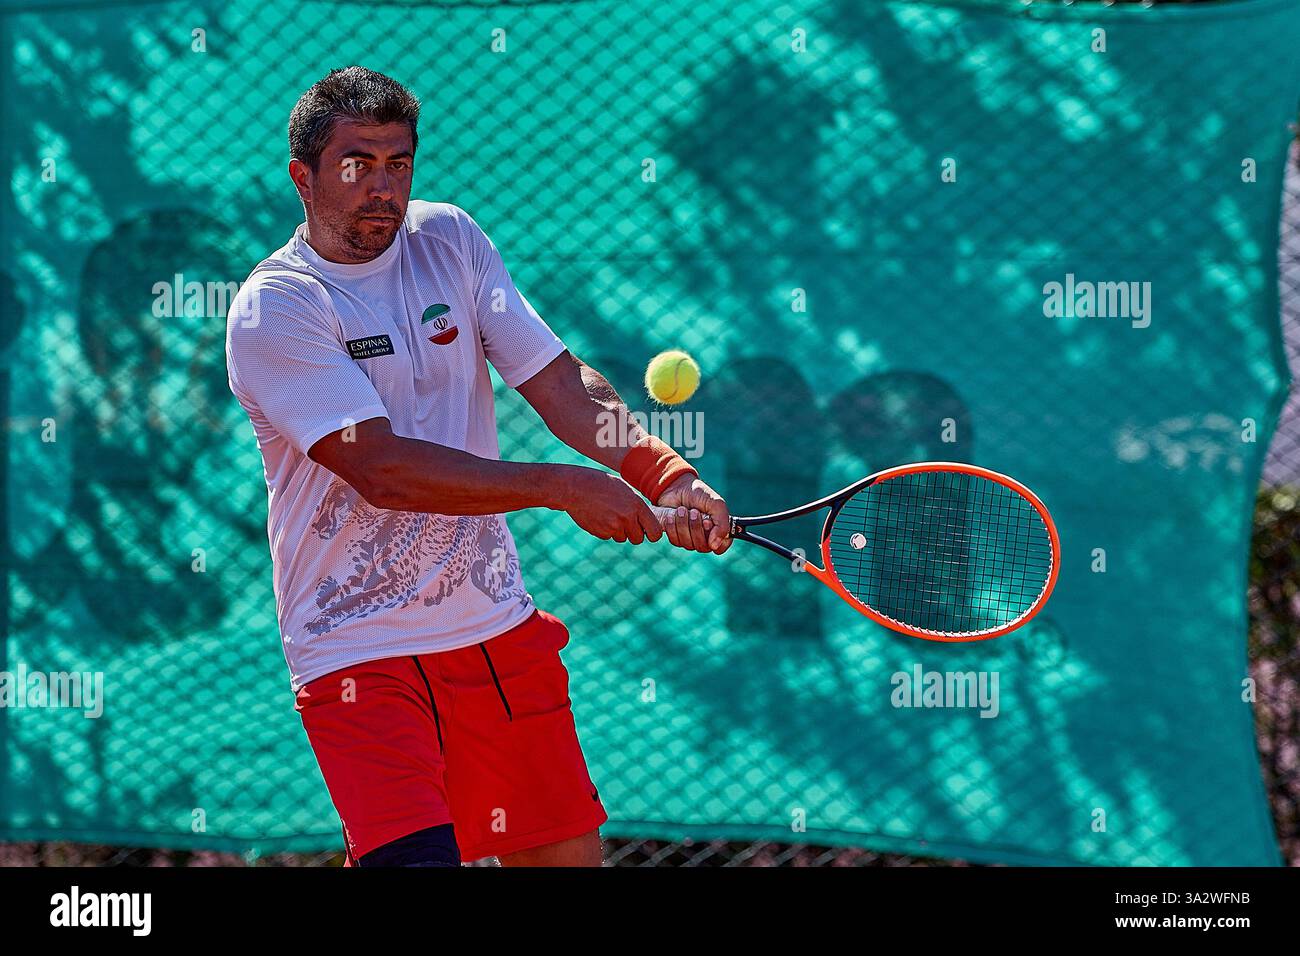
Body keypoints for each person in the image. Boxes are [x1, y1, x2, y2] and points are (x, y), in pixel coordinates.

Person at [225, 66, 730, 867]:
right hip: (358, 652)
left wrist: (666, 474)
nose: (382, 186)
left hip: (495, 631)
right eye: (357, 164)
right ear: (303, 177)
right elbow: (381, 468)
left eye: (399, 163)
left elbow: (560, 384)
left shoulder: (452, 241)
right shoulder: (276, 307)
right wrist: (563, 488)